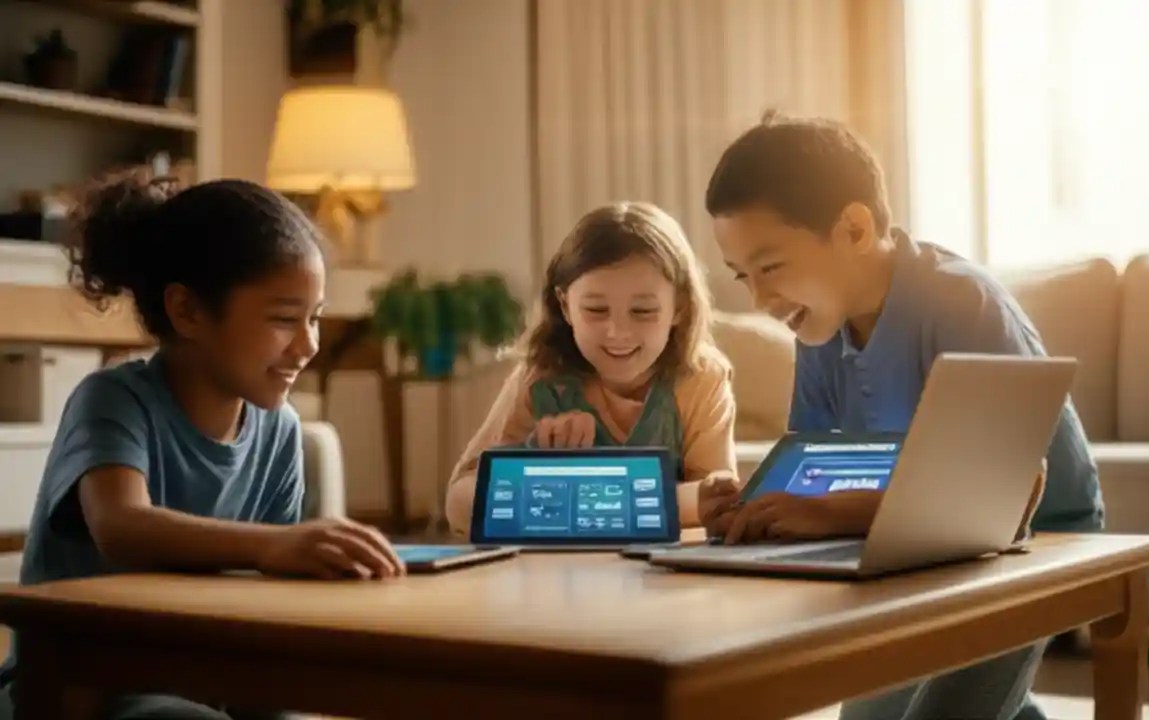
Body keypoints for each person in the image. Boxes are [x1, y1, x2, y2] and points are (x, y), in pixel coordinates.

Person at [700, 113, 1104, 720]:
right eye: (742, 277)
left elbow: (1006, 498)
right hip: (912, 537)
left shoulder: (961, 301)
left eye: (771, 268)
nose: (758, 301)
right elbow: (812, 469)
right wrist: (748, 509)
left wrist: (827, 514)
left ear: (855, 229)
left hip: (1038, 540)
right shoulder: (818, 330)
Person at [0, 169, 405, 720]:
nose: (309, 344)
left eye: (314, 318)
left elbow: (267, 600)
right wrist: (272, 546)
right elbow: (121, 526)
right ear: (187, 311)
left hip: (202, 678)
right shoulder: (114, 400)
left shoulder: (280, 430)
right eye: (285, 319)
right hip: (83, 691)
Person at [445, 202, 737, 535]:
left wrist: (572, 492)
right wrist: (535, 460)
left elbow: (716, 501)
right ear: (565, 306)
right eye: (596, 310)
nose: (618, 332)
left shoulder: (702, 378)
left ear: (679, 308)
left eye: (643, 311)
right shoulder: (541, 377)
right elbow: (459, 502)